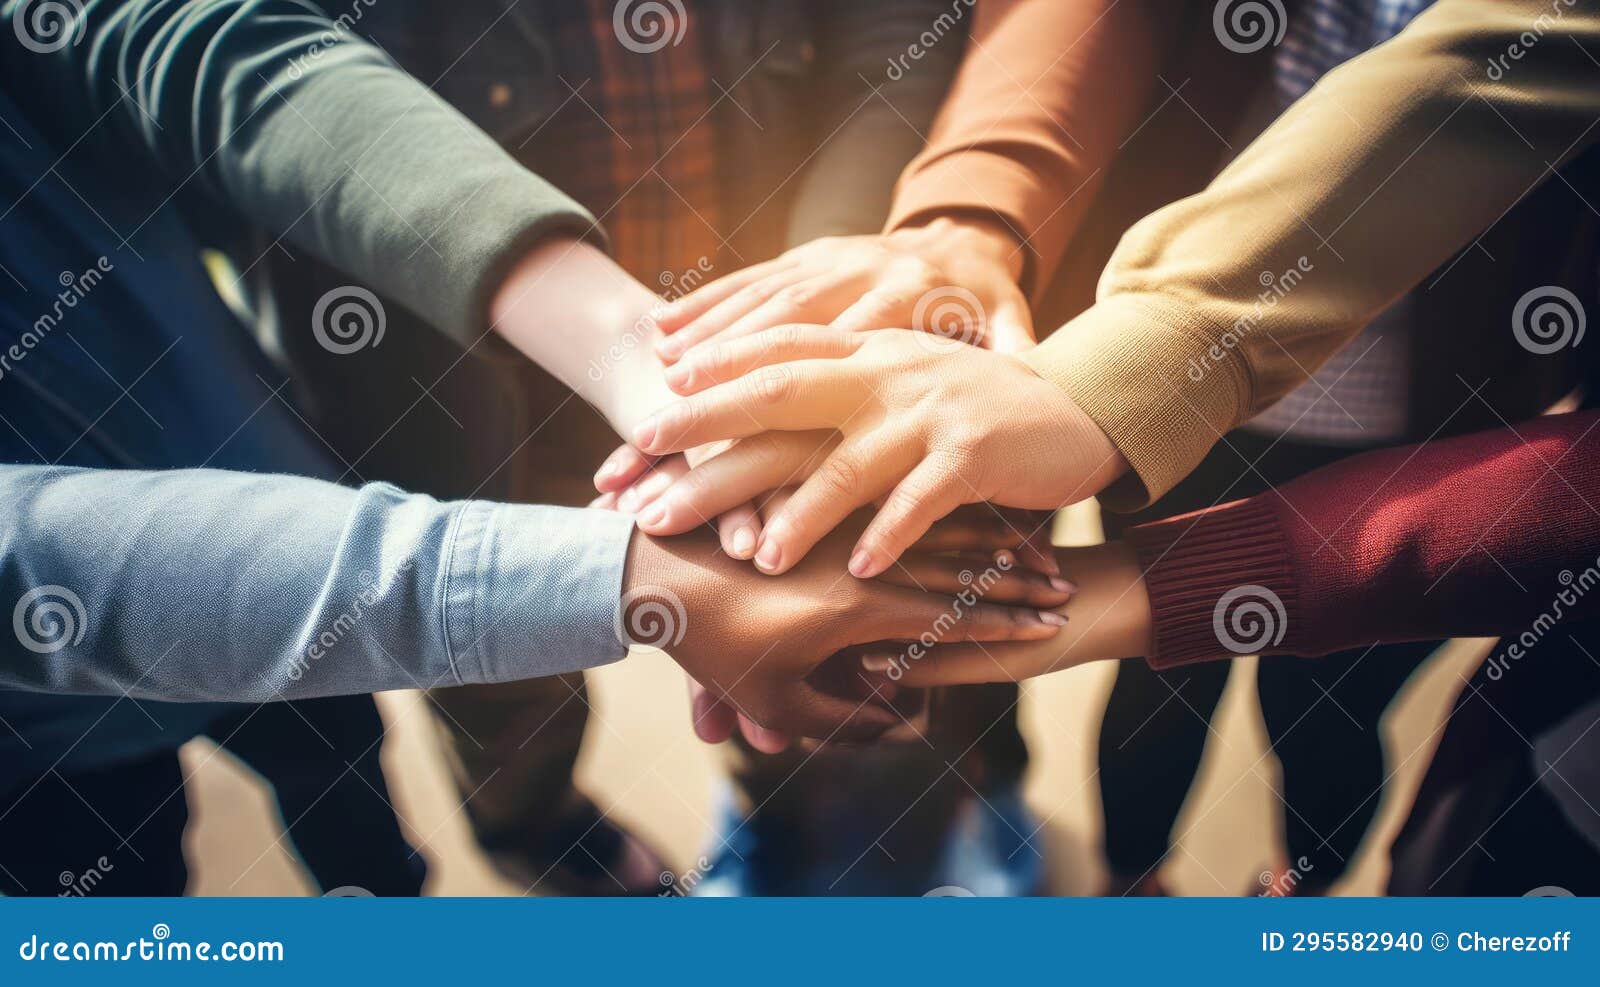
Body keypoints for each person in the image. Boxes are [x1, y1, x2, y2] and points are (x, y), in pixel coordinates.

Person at [0, 0, 1064, 894]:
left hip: (728, 383)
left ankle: (811, 817)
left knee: (812, 641)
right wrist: (629, 571)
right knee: (504, 719)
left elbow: (205, 48)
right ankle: (559, 853)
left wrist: (689, 352)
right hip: (434, 426)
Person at [607, 0, 1600, 892]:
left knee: (1333, 720)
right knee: (1152, 702)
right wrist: (972, 214)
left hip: (1435, 430)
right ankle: (1134, 880)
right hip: (1163, 425)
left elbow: (1531, 43)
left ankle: (1298, 884)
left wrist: (1112, 383)